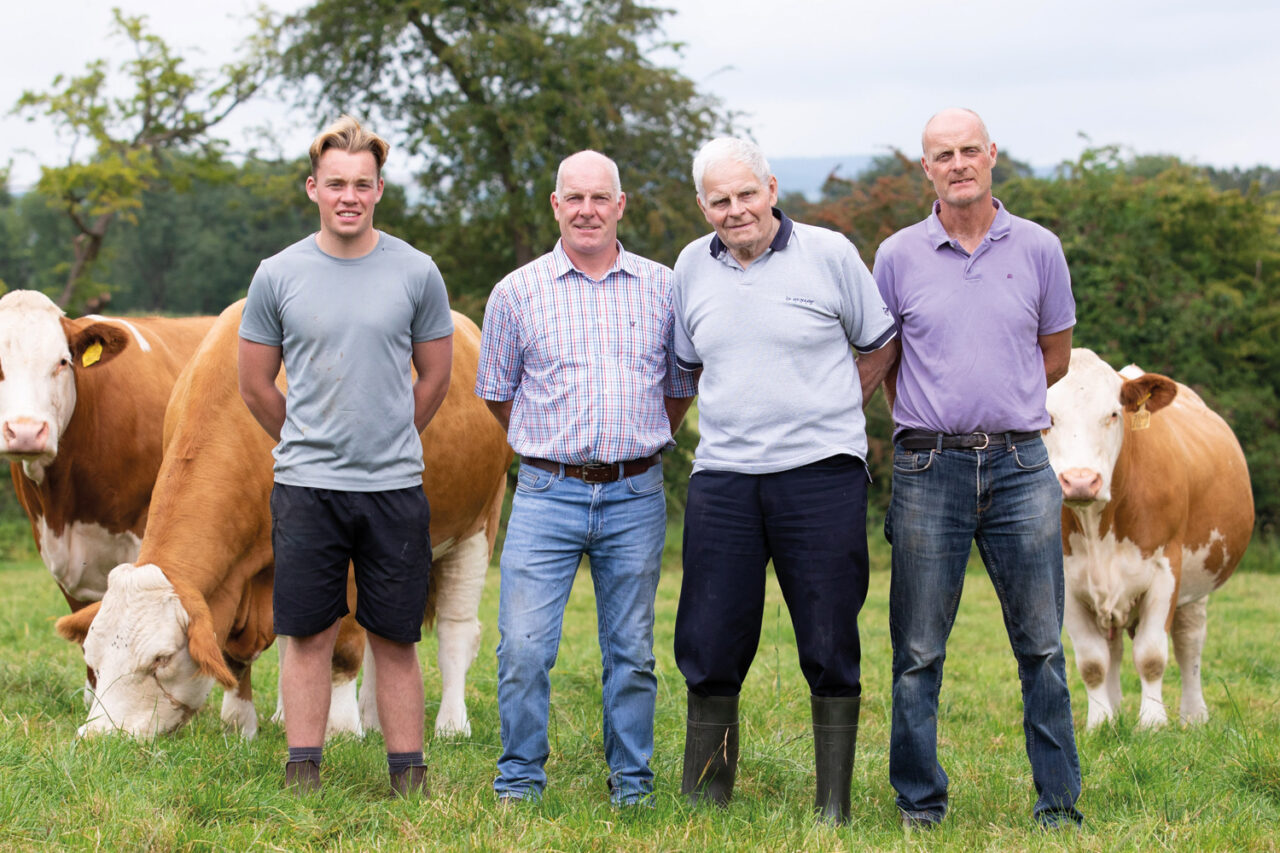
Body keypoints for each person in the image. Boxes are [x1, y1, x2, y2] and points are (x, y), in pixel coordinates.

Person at [671, 136, 898, 824]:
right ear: (704, 205)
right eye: (720, 200)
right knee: (709, 638)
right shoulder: (689, 266)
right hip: (725, 478)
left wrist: (832, 409)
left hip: (821, 476)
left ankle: (833, 806)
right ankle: (708, 796)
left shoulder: (828, 255)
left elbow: (880, 341)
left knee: (829, 639)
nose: (735, 210)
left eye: (746, 194)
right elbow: (691, 362)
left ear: (771, 188)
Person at [872, 107, 1084, 830]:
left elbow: (1053, 354)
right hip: (929, 467)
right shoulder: (897, 255)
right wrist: (935, 418)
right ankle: (919, 805)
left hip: (1024, 463)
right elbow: (889, 361)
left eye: (969, 150)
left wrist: (1001, 405)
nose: (958, 163)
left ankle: (1058, 805)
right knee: (917, 651)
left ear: (993, 154)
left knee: (1044, 645)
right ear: (924, 167)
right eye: (943, 154)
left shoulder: (1039, 248)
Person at [238, 115, 453, 797]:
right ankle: (303, 768)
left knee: (395, 634)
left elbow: (436, 377)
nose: (349, 195)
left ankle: (408, 776)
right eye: (336, 184)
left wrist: (388, 434)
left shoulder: (417, 272)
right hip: (306, 487)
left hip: (394, 487)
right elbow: (253, 383)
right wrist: (306, 438)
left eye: (362, 184)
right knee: (305, 631)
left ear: (379, 190)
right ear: (313, 188)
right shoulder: (278, 275)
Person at [475, 150, 697, 806]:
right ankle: (519, 780)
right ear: (555, 205)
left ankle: (632, 785)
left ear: (620, 205)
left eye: (600, 197)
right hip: (547, 490)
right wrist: (553, 446)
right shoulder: (516, 293)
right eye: (574, 197)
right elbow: (497, 393)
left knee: (631, 651)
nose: (587, 210)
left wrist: (634, 442)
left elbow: (680, 388)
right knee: (522, 647)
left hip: (635, 491)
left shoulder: (664, 288)